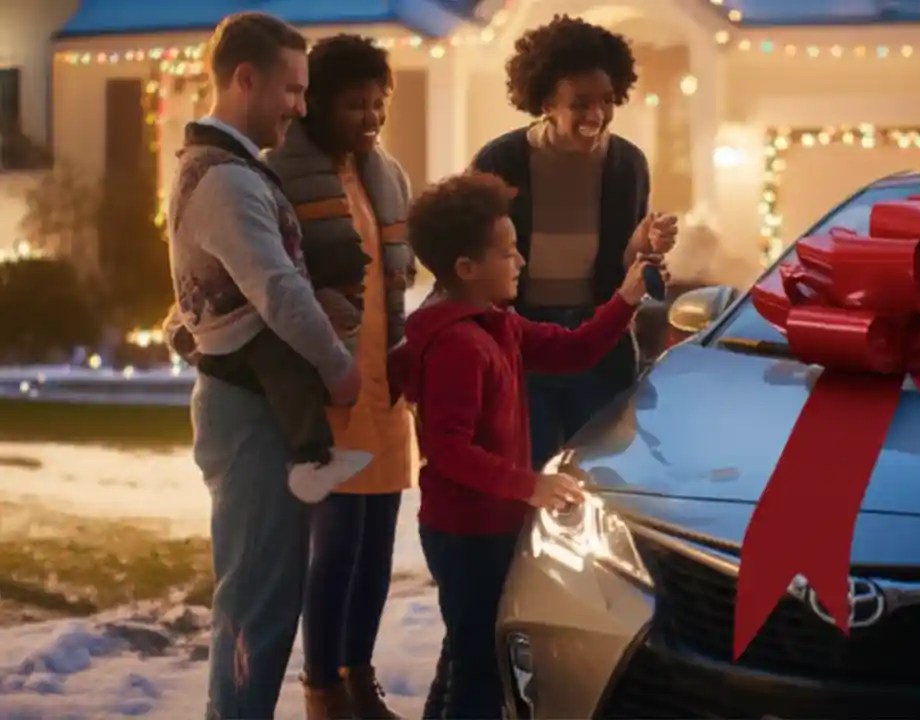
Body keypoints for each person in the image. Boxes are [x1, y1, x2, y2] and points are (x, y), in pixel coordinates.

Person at [394, 171, 663, 719]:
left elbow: (574, 350)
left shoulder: (499, 325)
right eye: (508, 253)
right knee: (479, 665)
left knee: (466, 652)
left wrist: (626, 298)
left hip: (492, 524)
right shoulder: (458, 345)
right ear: (468, 269)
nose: (520, 263)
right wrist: (531, 485)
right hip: (465, 534)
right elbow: (448, 449)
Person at [163, 12, 361, 719]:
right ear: (245, 78)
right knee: (257, 601)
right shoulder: (227, 181)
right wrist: (341, 371)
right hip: (248, 411)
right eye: (292, 89)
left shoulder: (222, 169)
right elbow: (275, 290)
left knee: (264, 594)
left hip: (248, 401)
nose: (301, 107)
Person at [264, 34, 416, 719]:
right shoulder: (282, 173)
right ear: (317, 102)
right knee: (339, 547)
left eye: (379, 103)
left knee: (379, 543)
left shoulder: (383, 173)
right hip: (330, 385)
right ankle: (322, 686)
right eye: (357, 104)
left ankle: (360, 673)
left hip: (386, 383)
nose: (372, 116)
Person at [471, 15, 678, 475]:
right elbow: (476, 257)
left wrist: (644, 244)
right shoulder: (500, 160)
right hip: (522, 339)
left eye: (606, 101)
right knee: (526, 474)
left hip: (601, 337)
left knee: (602, 476)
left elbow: (622, 264)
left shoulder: (627, 163)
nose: (596, 116)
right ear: (546, 101)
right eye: (579, 103)